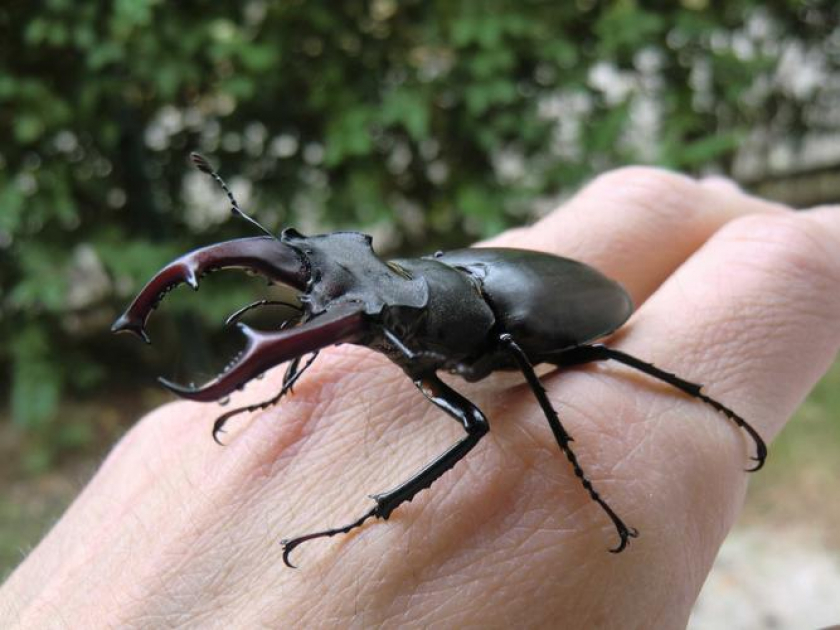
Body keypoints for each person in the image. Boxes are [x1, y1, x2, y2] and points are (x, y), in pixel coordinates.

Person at [2, 167, 838, 628]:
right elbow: (364, 309)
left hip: (547, 314)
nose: (334, 314)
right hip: (465, 282)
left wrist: (576, 465)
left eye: (359, 313)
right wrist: (281, 381)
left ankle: (384, 507)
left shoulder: (464, 338)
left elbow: (487, 413)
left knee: (507, 408)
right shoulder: (403, 294)